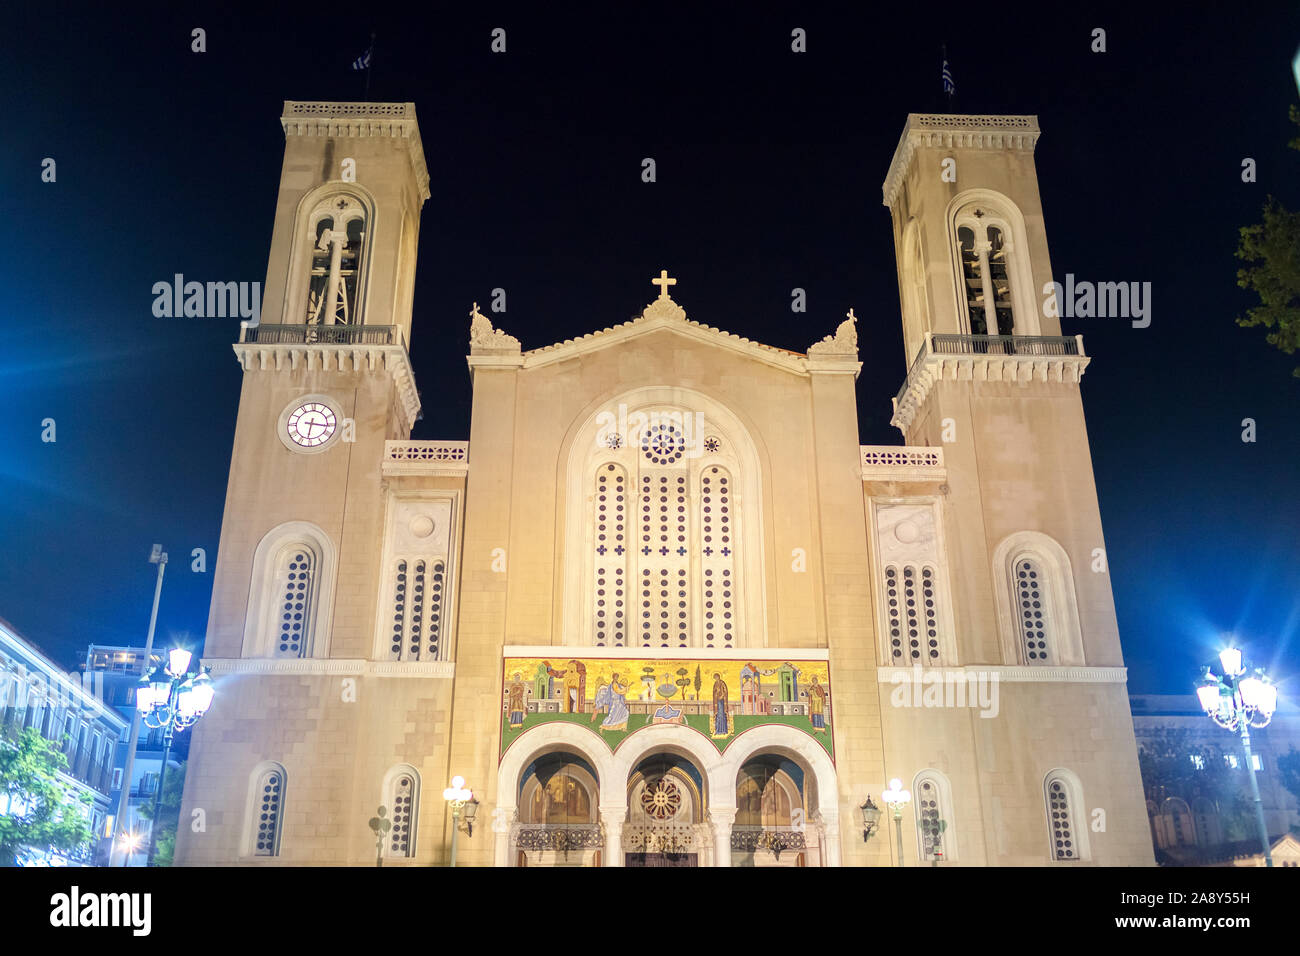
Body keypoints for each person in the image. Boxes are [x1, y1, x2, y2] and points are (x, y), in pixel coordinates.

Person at [711, 672, 731, 738]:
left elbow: (725, 691)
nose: (715, 679)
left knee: (722, 714)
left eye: (716, 677)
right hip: (717, 701)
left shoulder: (722, 683)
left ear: (718, 677)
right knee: (718, 715)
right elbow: (714, 692)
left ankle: (724, 730)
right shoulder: (715, 684)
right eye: (715, 678)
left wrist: (722, 695)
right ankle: (718, 730)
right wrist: (716, 694)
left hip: (722, 701)